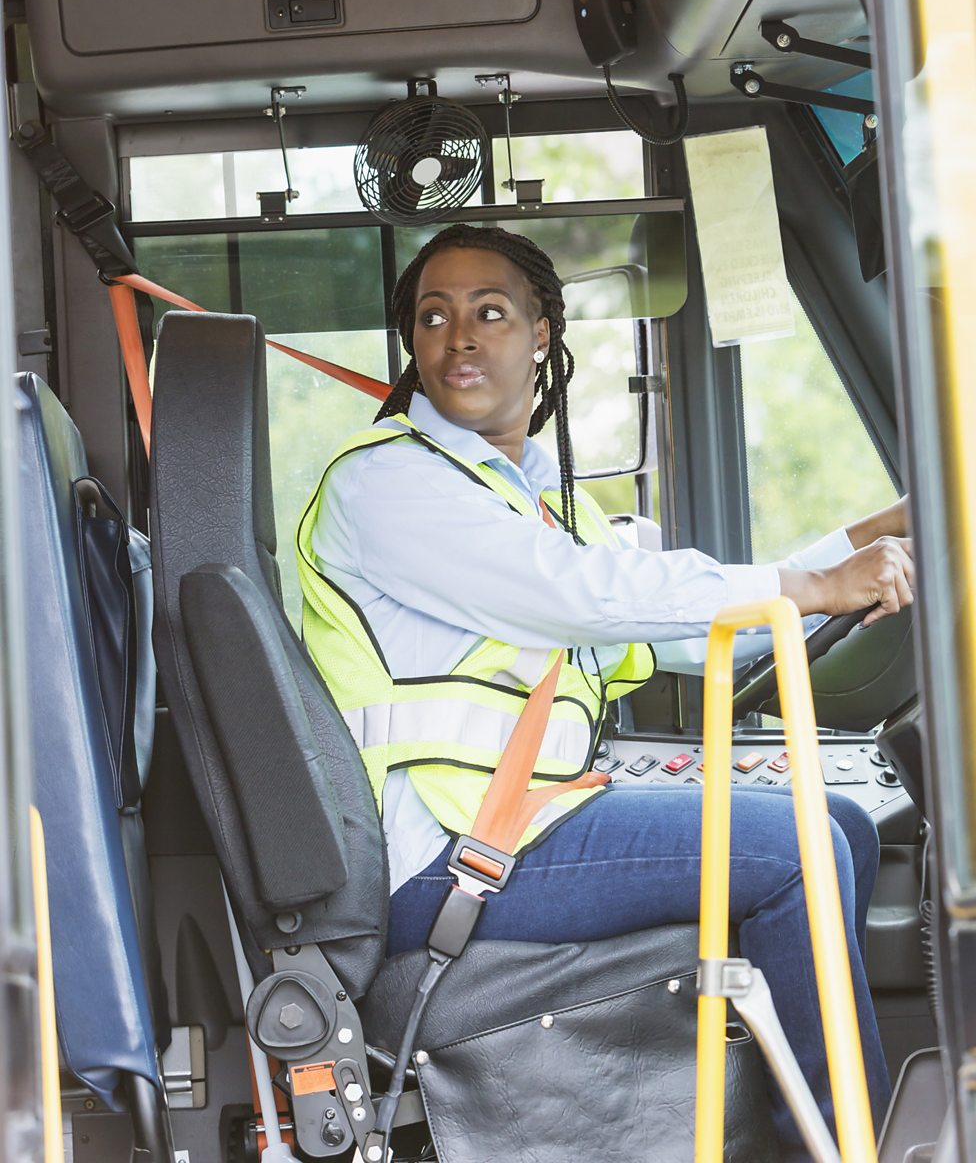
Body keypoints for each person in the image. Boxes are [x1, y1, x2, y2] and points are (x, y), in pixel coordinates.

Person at [297, 222, 913, 1159]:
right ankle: (840, 1145)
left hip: (530, 820)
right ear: (413, 347)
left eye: (490, 312)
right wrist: (816, 590)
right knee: (796, 848)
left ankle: (815, 1125)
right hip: (454, 858)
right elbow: (586, 595)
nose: (458, 337)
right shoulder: (385, 482)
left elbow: (678, 619)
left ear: (543, 334)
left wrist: (885, 532)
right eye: (433, 317)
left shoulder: (534, 501)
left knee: (847, 826)